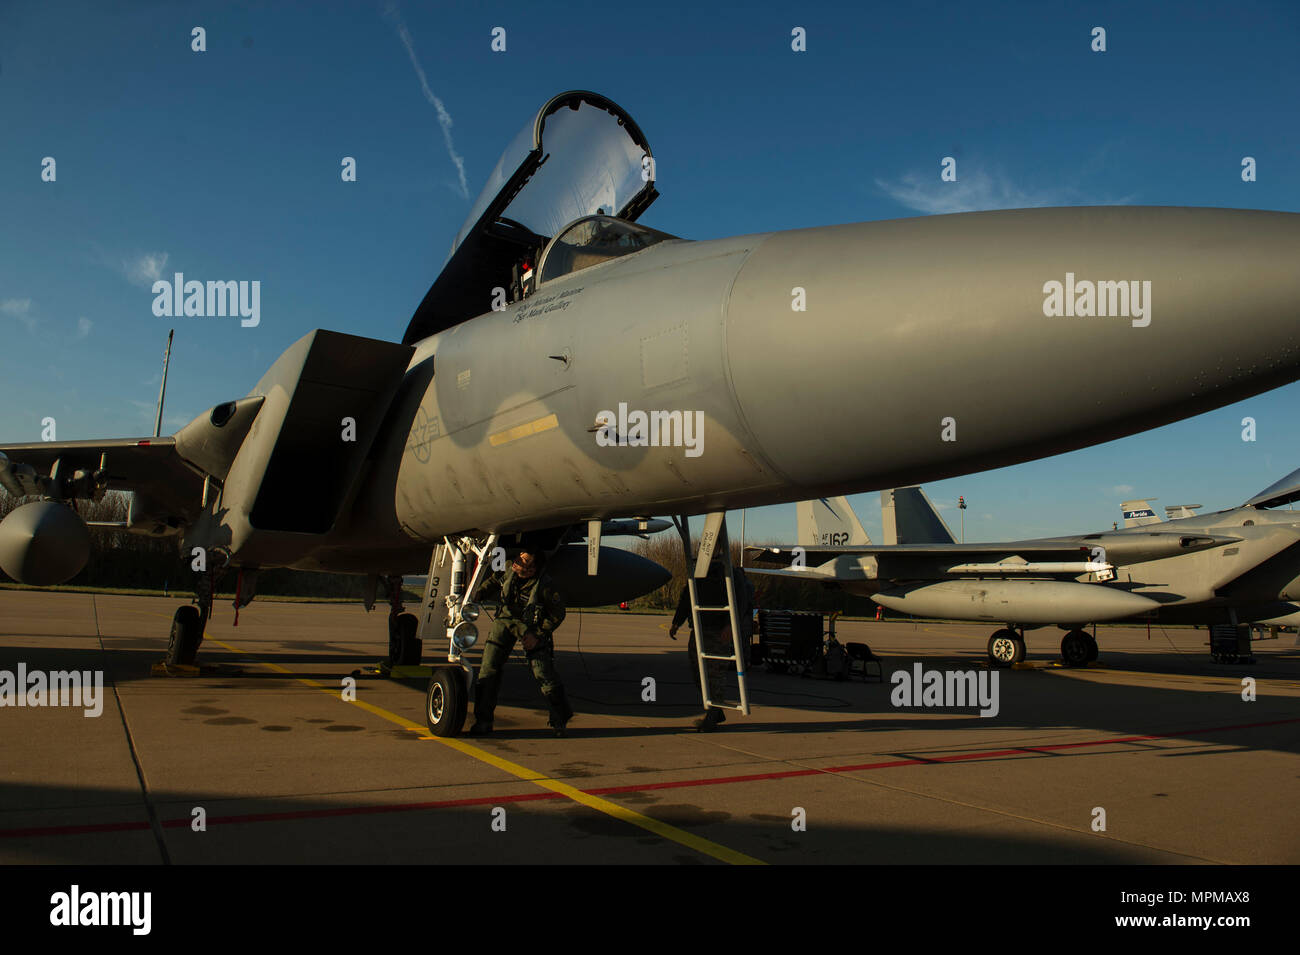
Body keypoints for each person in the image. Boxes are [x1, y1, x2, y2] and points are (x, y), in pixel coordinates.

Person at [470, 548, 573, 737]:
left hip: (532, 626)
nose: (519, 564)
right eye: (519, 559)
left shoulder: (545, 586)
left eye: (525, 563)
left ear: (534, 569)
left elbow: (558, 614)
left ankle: (560, 720)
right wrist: (479, 594)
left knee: (544, 673)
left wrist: (539, 634)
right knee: (488, 669)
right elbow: (494, 580)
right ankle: (483, 721)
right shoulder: (509, 568)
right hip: (505, 620)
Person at [667, 561, 755, 731]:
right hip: (699, 627)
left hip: (719, 631)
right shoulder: (698, 570)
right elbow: (688, 595)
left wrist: (730, 624)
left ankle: (713, 715)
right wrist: (677, 621)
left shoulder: (730, 572)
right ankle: (716, 709)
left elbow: (741, 600)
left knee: (714, 673)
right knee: (697, 670)